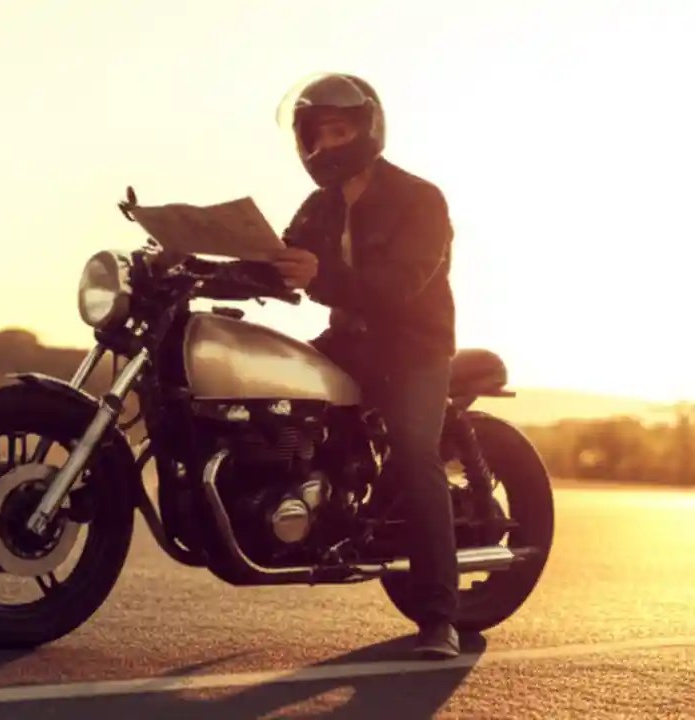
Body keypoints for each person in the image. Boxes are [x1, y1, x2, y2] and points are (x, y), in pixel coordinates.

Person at [266, 73, 461, 659]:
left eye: (338, 130)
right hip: (349, 342)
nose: (325, 145)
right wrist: (201, 258)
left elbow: (400, 287)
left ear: (367, 128)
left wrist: (319, 276)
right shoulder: (319, 205)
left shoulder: (419, 198)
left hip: (413, 348)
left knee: (413, 451)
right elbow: (278, 259)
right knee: (276, 395)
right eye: (315, 135)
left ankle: (438, 618)